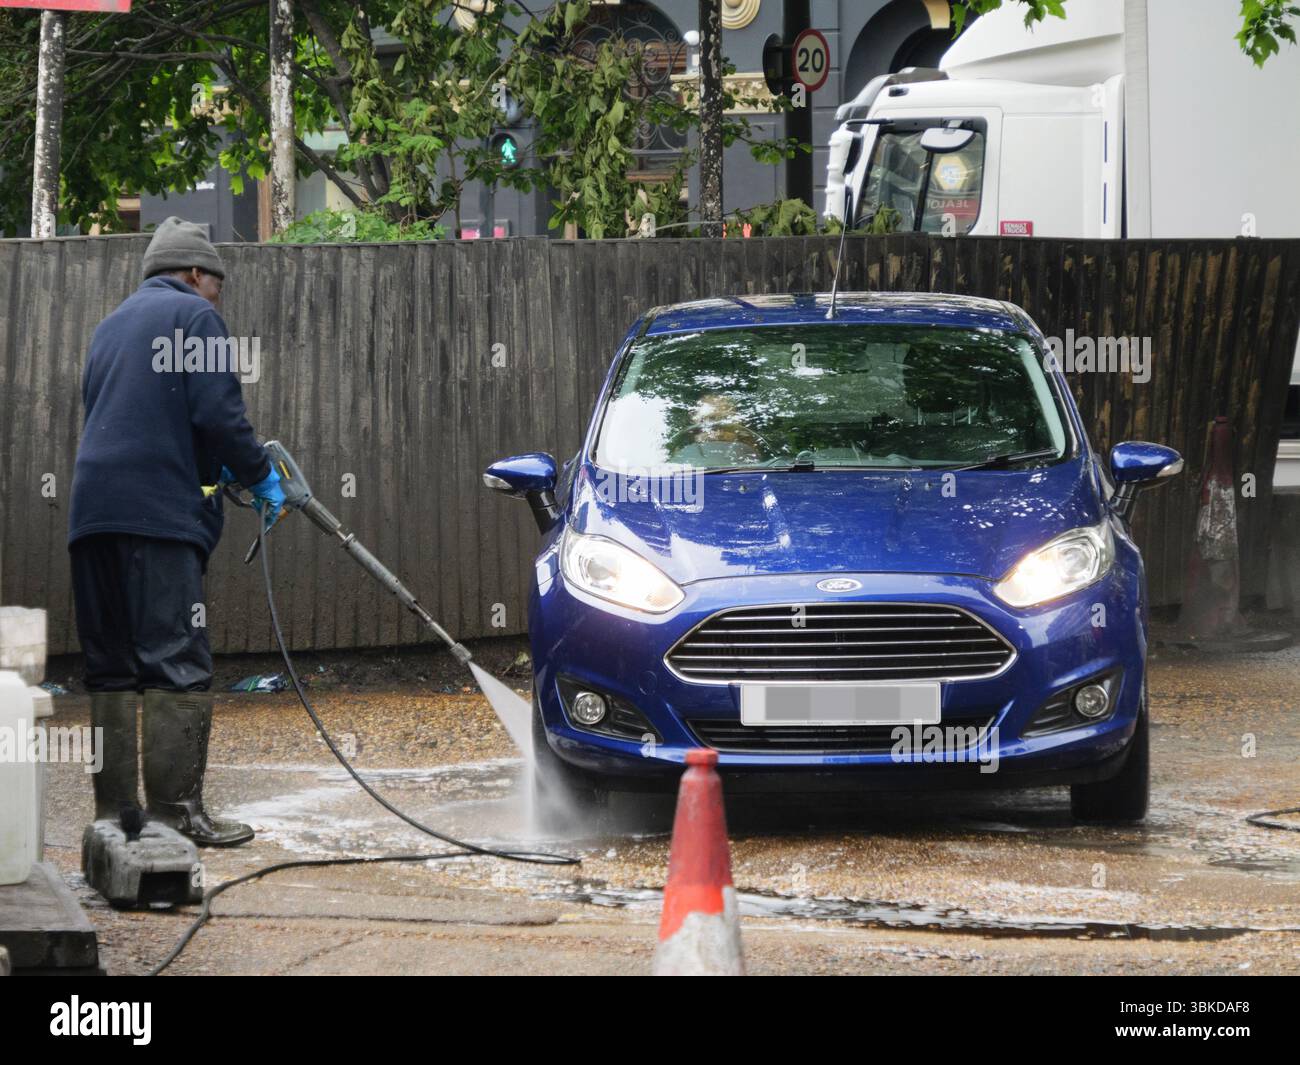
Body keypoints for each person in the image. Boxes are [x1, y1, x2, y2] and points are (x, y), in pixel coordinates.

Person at [68, 217, 285, 847]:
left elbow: (144, 417)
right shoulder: (196, 318)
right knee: (177, 663)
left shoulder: (108, 329)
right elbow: (219, 412)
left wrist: (211, 470)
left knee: (110, 669)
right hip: (156, 521)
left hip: (92, 517)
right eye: (217, 284)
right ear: (195, 274)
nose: (219, 296)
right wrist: (260, 474)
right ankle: (177, 813)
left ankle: (114, 816)